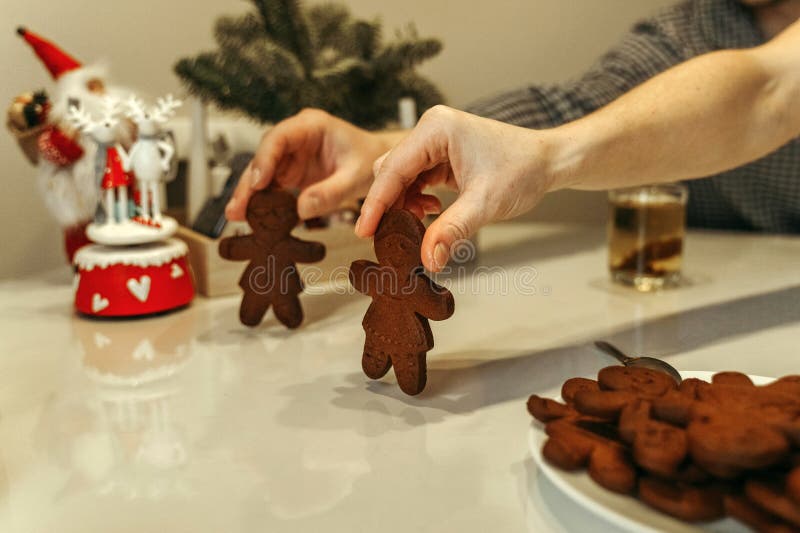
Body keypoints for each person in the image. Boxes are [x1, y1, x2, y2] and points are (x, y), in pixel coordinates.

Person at [226, 1, 800, 269]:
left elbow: (768, 94)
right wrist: (383, 149)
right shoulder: (693, 27)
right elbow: (563, 111)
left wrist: (549, 159)